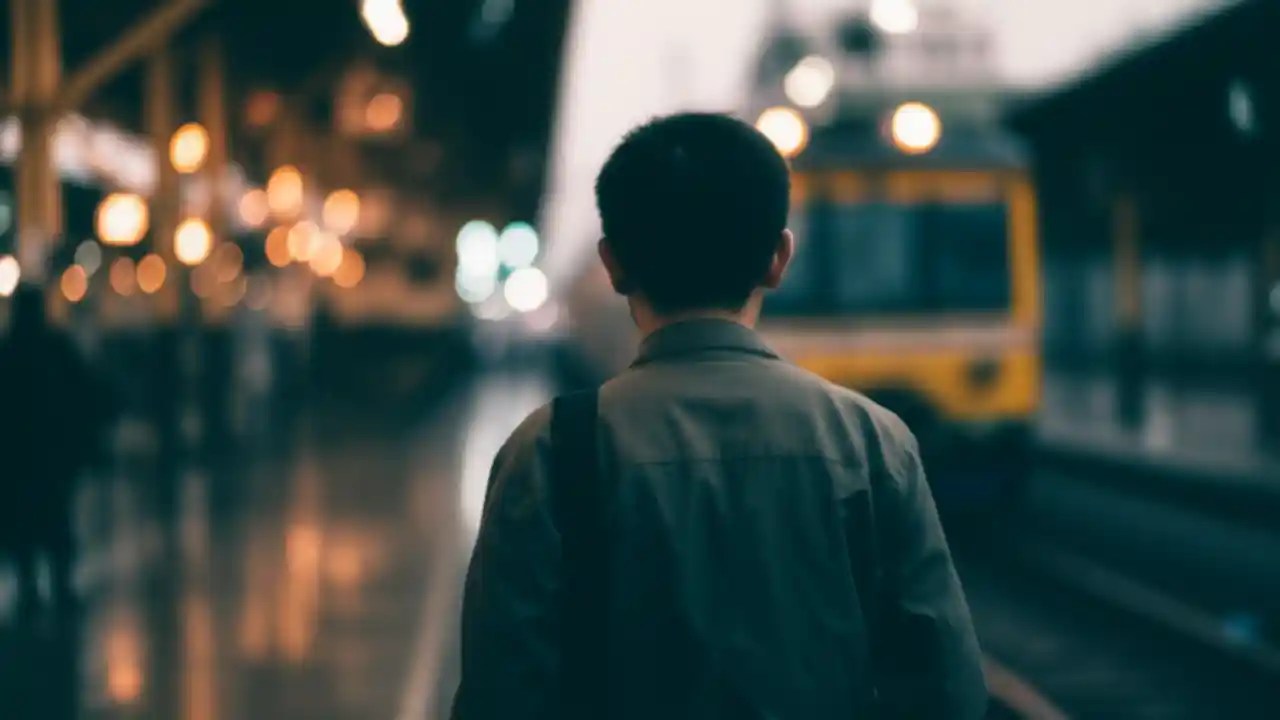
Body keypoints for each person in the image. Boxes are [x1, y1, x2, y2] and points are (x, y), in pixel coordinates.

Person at [452, 113, 986, 718]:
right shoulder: (872, 441)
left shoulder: (548, 451)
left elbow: (500, 695)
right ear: (778, 259)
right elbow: (948, 694)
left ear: (614, 264)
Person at [0, 284, 109, 623]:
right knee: (56, 523)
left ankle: (30, 590)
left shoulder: (9, 352)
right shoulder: (55, 348)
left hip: (18, 457)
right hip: (51, 457)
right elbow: (84, 395)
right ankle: (60, 589)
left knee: (23, 528)